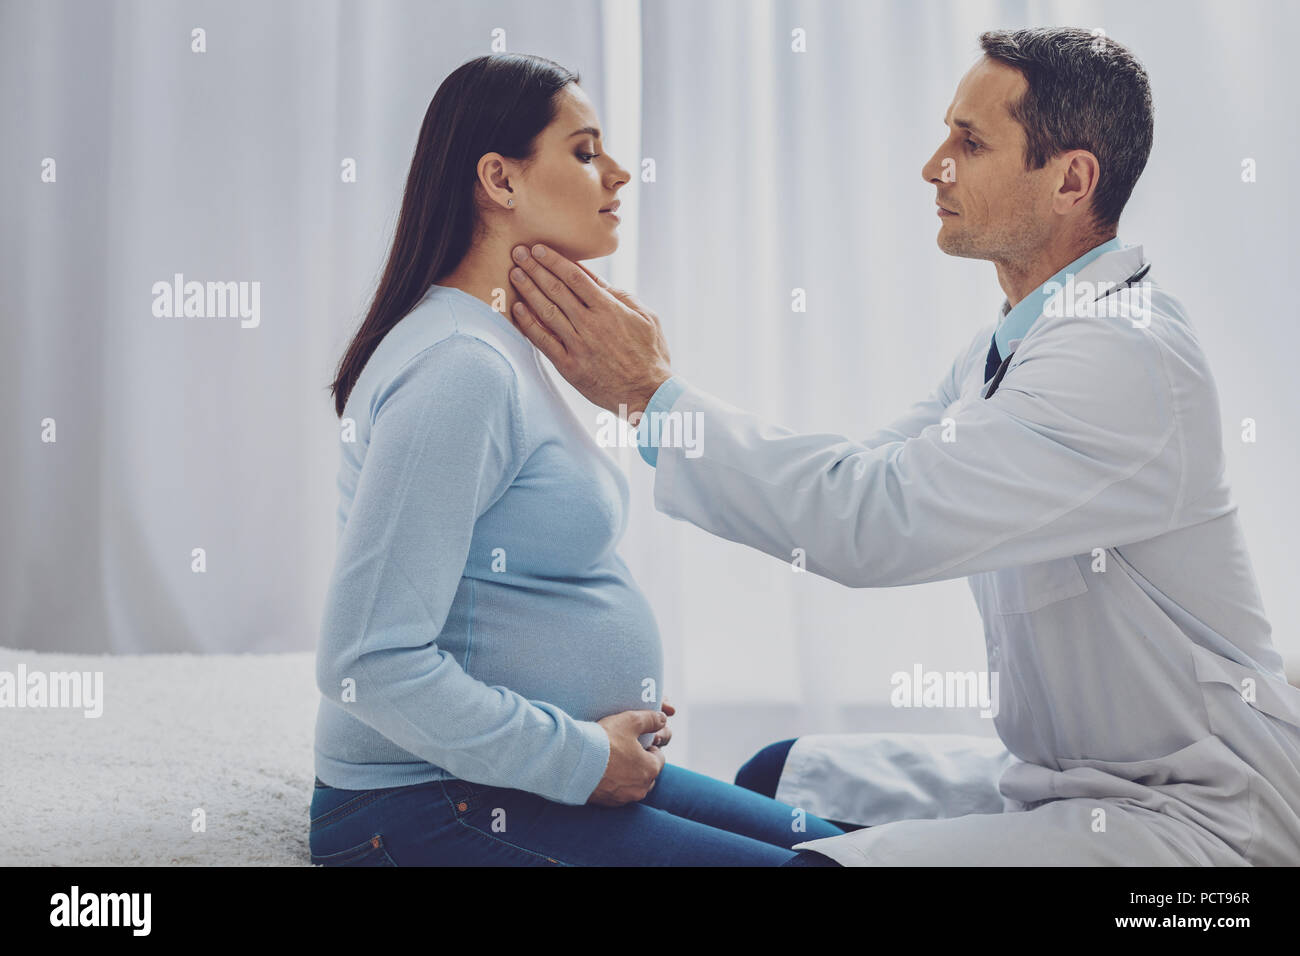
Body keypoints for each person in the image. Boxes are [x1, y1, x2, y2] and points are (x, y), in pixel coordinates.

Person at [502, 28, 1300, 865]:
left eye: (970, 142)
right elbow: (856, 477)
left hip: (1201, 815)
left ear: (1071, 178)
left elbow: (869, 521)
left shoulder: (1120, 356)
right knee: (781, 773)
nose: (934, 166)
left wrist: (649, 395)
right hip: (1069, 780)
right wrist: (657, 399)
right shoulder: (1019, 346)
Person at [311, 53, 847, 866]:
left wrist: (584, 712)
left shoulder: (503, 346)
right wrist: (581, 754)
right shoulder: (460, 365)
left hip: (516, 778)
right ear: (500, 179)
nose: (621, 173)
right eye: (587, 151)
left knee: (860, 854)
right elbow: (366, 660)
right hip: (426, 805)